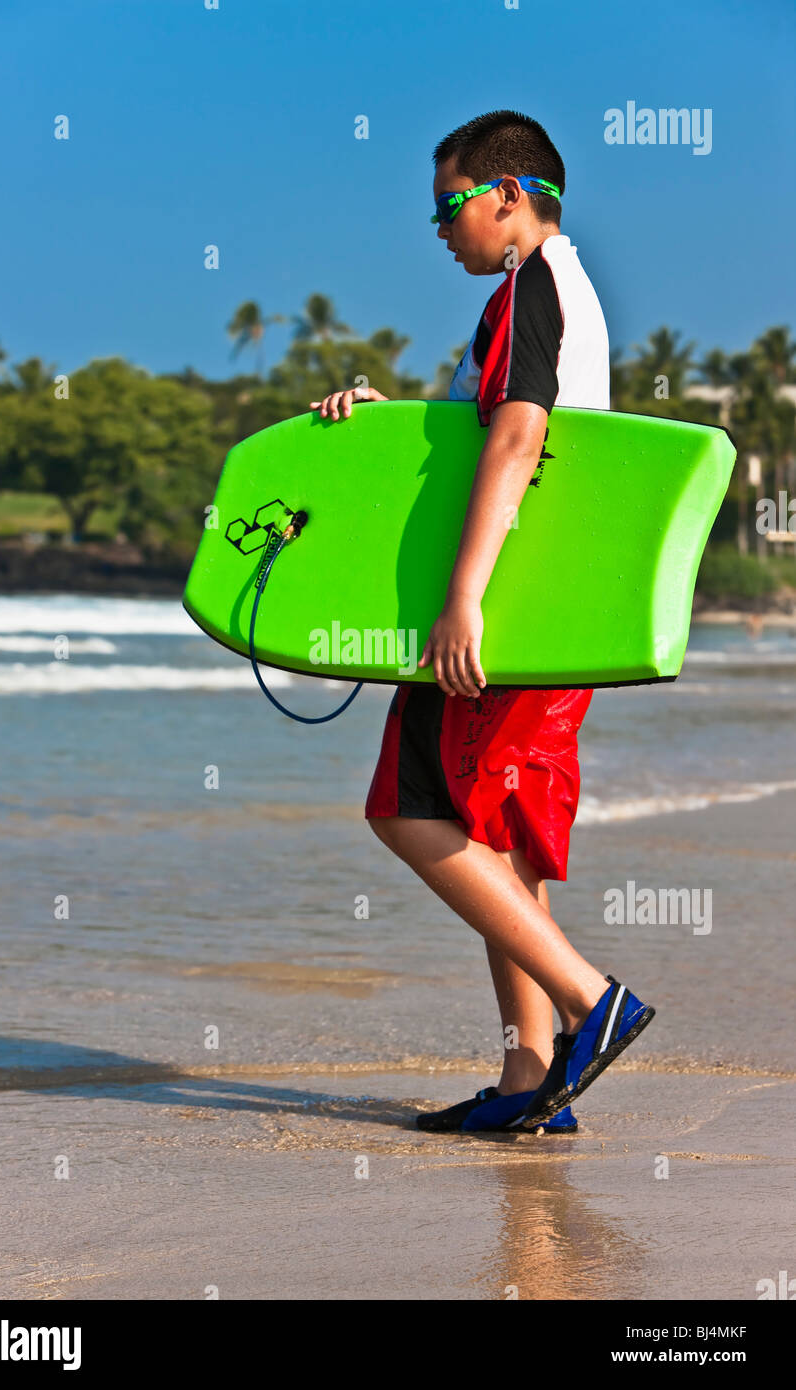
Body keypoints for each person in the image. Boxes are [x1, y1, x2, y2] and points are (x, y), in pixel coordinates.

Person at [310, 109, 654, 1135]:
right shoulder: (546, 295)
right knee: (493, 845)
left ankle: (593, 1006)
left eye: (447, 208)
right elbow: (480, 431)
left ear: (506, 194)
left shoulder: (533, 287)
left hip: (495, 615)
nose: (441, 230)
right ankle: (528, 1083)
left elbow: (515, 439)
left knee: (409, 814)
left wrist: (460, 600)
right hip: (532, 612)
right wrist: (388, 426)